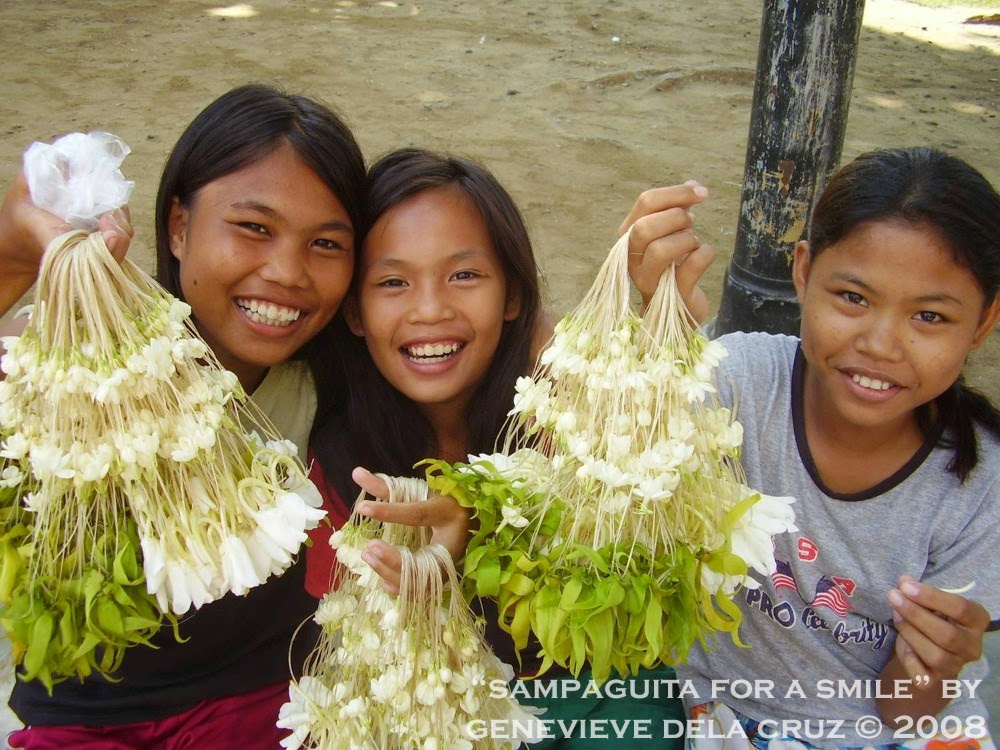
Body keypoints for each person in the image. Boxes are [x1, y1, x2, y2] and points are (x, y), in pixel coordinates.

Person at [305, 147, 714, 749]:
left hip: (586, 695)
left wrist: (650, 324)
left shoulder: (567, 413)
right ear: (355, 314)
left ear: (514, 297)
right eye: (392, 282)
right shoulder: (341, 457)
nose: (430, 309)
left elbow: (634, 574)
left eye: (465, 275)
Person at [0, 82, 367, 749]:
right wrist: (17, 253)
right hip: (79, 715)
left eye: (326, 244)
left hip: (264, 701)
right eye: (254, 228)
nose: (287, 272)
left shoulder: (338, 383)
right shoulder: (74, 375)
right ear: (177, 225)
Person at [625, 147, 998, 749]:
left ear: (983, 323)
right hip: (733, 714)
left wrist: (936, 664)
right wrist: (649, 316)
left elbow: (907, 713)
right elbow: (620, 443)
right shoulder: (738, 386)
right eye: (853, 297)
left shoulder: (981, 491)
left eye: (929, 316)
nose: (880, 344)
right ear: (803, 273)